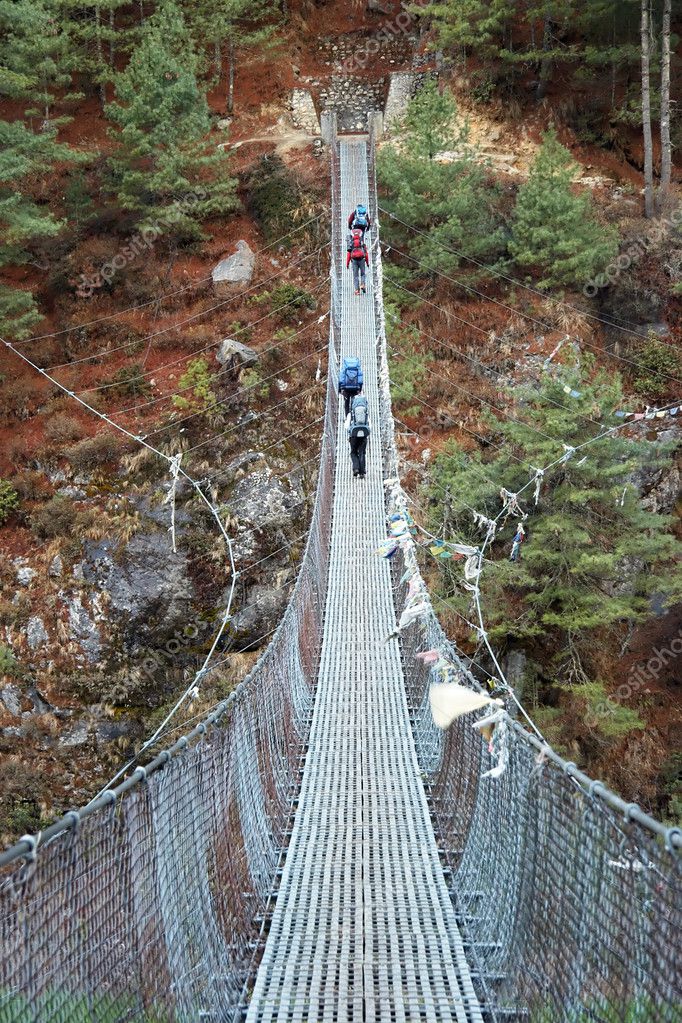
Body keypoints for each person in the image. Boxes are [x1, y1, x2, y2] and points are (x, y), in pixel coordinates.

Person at [347, 393, 370, 478]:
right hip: (364, 434)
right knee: (362, 452)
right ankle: (362, 472)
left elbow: (347, 426)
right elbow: (369, 425)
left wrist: (349, 433)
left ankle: (356, 468)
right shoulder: (366, 413)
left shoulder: (351, 414)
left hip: (354, 435)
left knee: (353, 452)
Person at [346, 228, 369, 296]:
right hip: (362, 260)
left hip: (354, 260)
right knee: (363, 274)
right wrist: (367, 263)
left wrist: (347, 264)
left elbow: (348, 254)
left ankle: (357, 291)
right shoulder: (362, 243)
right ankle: (362, 284)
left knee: (355, 276)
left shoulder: (351, 243)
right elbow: (366, 253)